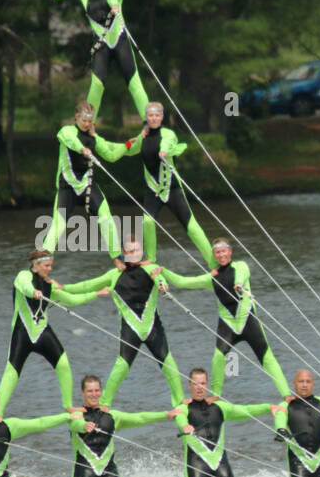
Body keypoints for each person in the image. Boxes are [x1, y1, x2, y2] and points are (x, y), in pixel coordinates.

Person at [62, 240, 187, 407]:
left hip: (152, 328)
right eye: (130, 250)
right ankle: (104, 404)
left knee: (168, 362)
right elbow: (86, 285)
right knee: (121, 366)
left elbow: (160, 279)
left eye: (137, 250)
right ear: (124, 252)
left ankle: (180, 402)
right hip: (131, 328)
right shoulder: (114, 275)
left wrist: (163, 287)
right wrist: (62, 288)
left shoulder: (150, 268)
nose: (134, 253)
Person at [162, 238, 291, 399]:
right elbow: (184, 282)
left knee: (266, 356)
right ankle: (216, 395)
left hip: (247, 320)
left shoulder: (240, 266)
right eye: (217, 252)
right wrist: (162, 271)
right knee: (218, 357)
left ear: (230, 251)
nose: (221, 254)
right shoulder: (212, 277)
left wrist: (237, 284)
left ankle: (286, 394)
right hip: (228, 323)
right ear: (214, 255)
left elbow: (243, 274)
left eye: (224, 251)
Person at [0, 250, 110, 414]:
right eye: (46, 266)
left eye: (51, 265)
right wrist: (33, 292)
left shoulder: (49, 285)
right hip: (23, 333)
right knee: (12, 371)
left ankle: (69, 406)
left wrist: (97, 293)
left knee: (63, 364)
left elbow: (71, 300)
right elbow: (26, 286)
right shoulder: (23, 276)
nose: (50, 269)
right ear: (35, 266)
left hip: (43, 332)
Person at [69, 374, 176, 477]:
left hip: (108, 472)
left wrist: (166, 414)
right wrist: (84, 425)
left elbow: (139, 418)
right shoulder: (75, 416)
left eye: (97, 390)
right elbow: (75, 425)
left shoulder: (112, 416)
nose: (94, 394)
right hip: (83, 475)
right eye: (90, 391)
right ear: (82, 392)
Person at [55, 0, 149, 117]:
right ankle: (89, 124)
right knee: (97, 84)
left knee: (133, 82)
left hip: (120, 40)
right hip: (101, 44)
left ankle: (149, 122)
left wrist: (114, 6)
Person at [173, 368, 281, 477]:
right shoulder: (183, 409)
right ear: (189, 385)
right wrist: (185, 426)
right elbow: (179, 418)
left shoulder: (220, 408)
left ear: (207, 384)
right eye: (195, 383)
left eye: (202, 383)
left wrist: (268, 407)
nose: (199, 387)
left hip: (221, 467)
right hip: (196, 469)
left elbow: (245, 410)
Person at [125, 101, 212, 264]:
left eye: (157, 115)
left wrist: (163, 151)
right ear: (146, 118)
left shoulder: (168, 134)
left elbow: (168, 142)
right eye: (151, 115)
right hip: (152, 189)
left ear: (162, 117)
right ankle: (151, 258)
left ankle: (211, 260)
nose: (154, 118)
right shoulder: (142, 137)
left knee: (191, 225)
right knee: (147, 221)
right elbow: (129, 150)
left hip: (171, 187)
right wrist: (134, 140)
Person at [41, 101, 128, 255]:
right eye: (84, 120)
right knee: (59, 224)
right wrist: (82, 149)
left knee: (106, 217)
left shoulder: (93, 137)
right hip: (67, 185)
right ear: (76, 117)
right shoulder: (66, 131)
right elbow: (70, 140)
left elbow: (110, 154)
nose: (87, 124)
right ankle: (42, 257)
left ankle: (118, 257)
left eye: (90, 121)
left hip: (87, 184)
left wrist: (127, 145)